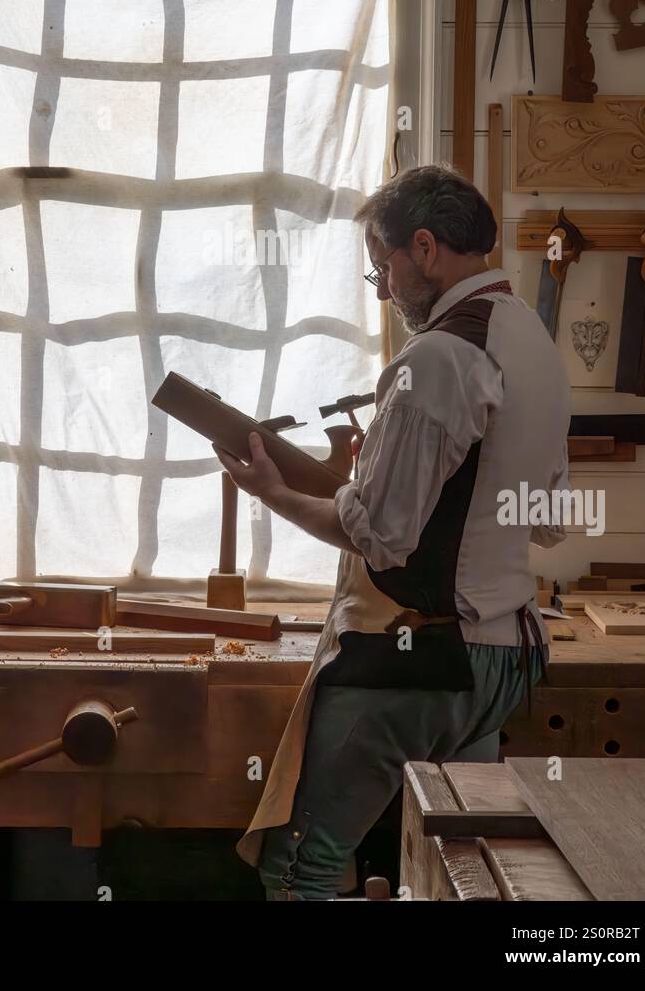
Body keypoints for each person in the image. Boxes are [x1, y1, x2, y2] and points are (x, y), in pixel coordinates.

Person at [215, 164, 572, 901]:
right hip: (503, 655)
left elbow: (380, 536)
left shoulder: (437, 357)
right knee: (456, 868)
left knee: (299, 867)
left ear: (423, 247)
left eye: (383, 269)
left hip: (421, 657)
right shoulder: (529, 339)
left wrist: (271, 490)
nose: (382, 290)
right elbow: (545, 522)